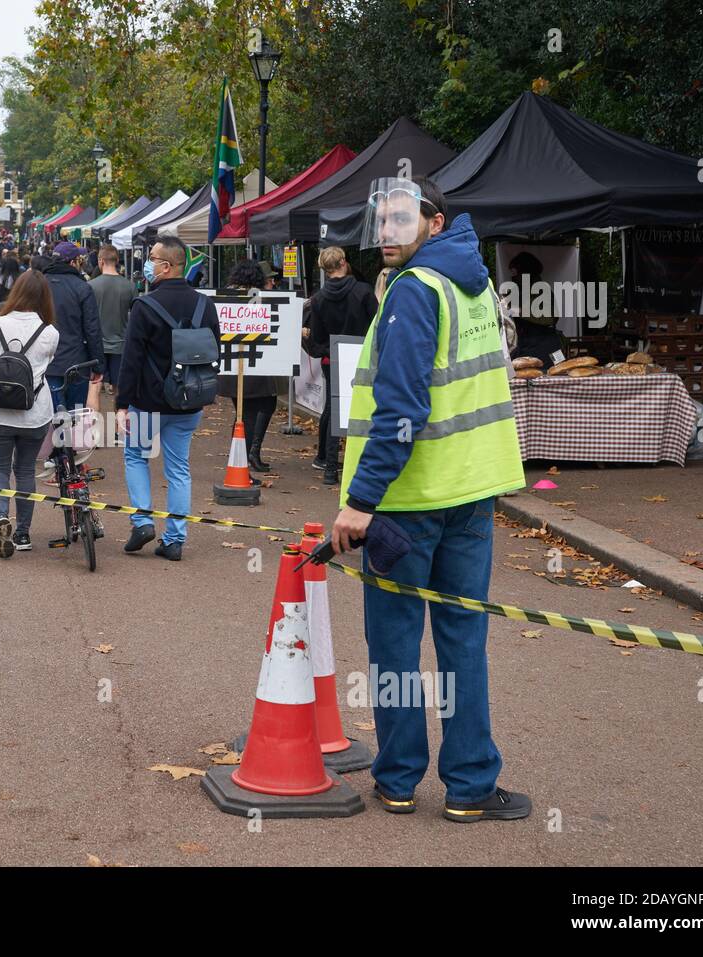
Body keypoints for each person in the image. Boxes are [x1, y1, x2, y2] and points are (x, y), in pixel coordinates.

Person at [331, 176, 529, 823]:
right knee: (463, 640)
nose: (386, 231)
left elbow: (403, 408)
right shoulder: (471, 281)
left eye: (399, 218)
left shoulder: (416, 291)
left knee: (394, 643)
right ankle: (471, 785)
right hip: (471, 492)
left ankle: (396, 780)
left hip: (408, 501)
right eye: (380, 219)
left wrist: (361, 500)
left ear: (434, 222)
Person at [115, 236, 220, 562]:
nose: (148, 261)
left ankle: (143, 521)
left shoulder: (145, 306)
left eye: (152, 257)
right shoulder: (205, 305)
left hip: (148, 402)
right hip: (189, 401)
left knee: (136, 458)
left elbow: (131, 359)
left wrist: (122, 404)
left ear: (166, 266)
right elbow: (216, 351)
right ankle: (174, 539)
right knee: (178, 468)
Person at [0, 269, 61, 558]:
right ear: (45, 298)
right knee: (24, 470)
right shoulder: (50, 333)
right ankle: (22, 534)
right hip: (35, 413)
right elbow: (46, 367)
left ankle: (0, 519)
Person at [305, 246, 379, 483]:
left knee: (333, 407)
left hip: (332, 358)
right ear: (344, 263)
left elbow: (315, 338)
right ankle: (362, 464)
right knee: (367, 406)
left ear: (325, 270)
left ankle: (329, 467)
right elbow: (377, 327)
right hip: (363, 355)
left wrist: (328, 350)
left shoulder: (318, 300)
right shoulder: (364, 291)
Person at [217, 258, 287, 474]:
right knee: (249, 415)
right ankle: (242, 463)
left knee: (243, 415)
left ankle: (243, 460)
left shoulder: (226, 298)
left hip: (233, 368)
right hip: (255, 367)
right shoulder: (259, 300)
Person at [43, 241, 104, 410]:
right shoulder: (82, 287)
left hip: (47, 361)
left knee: (52, 416)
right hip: (77, 363)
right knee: (76, 415)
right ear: (73, 262)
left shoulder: (40, 285)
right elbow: (92, 329)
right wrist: (98, 365)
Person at [88, 244, 135, 392]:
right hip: (121, 345)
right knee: (119, 390)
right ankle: (118, 415)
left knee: (94, 386)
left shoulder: (90, 285)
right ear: (117, 260)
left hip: (96, 345)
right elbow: (135, 317)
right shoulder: (130, 286)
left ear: (100, 261)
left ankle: (95, 416)